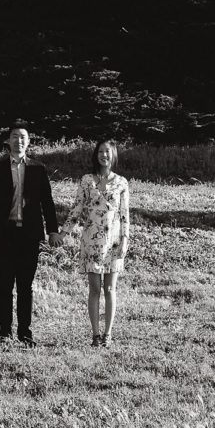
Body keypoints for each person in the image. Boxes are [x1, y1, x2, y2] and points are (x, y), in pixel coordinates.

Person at [0, 122, 58, 346]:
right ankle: (4, 333)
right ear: (8, 140)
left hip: (29, 235)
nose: (19, 140)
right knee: (5, 285)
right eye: (15, 136)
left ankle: (25, 334)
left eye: (23, 137)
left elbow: (47, 202)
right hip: (5, 235)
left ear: (29, 141)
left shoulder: (38, 168)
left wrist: (53, 230)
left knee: (26, 286)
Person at [59, 138, 131, 347]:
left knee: (110, 289)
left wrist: (125, 240)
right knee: (94, 288)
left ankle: (107, 334)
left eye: (107, 152)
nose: (104, 155)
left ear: (113, 155)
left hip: (113, 242)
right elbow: (76, 209)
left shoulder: (122, 182)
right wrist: (63, 233)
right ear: (96, 155)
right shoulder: (86, 180)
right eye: (100, 152)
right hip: (91, 240)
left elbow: (125, 215)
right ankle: (95, 335)